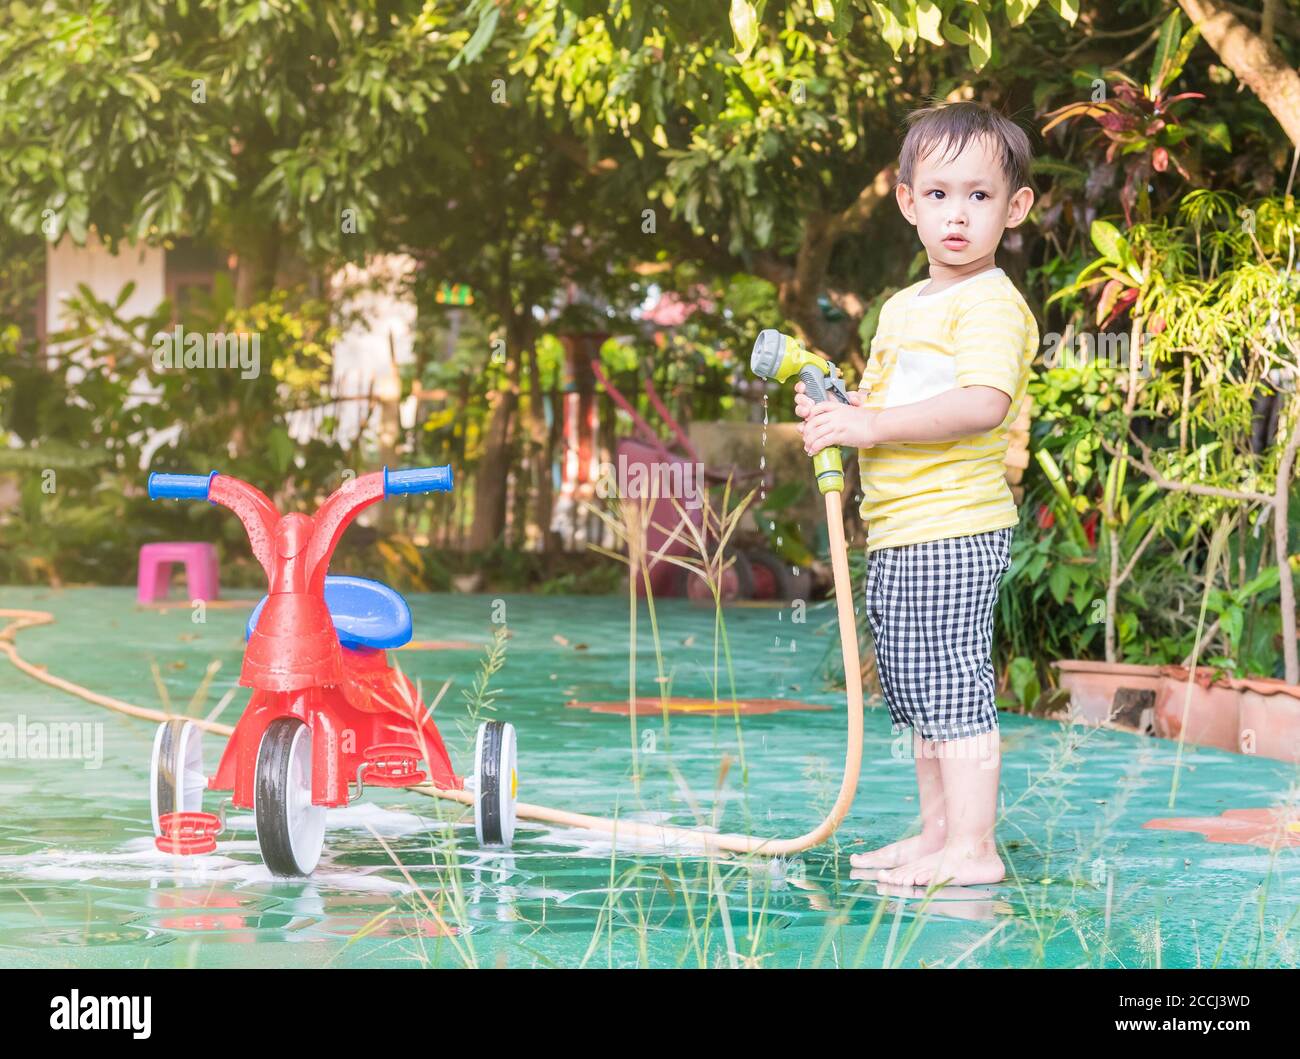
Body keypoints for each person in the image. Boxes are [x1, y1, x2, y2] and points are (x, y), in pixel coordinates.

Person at [796, 100, 1038, 887]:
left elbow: (982, 404)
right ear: (908, 202)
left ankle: (973, 847)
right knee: (917, 688)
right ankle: (939, 834)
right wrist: (839, 413)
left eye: (979, 195)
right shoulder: (905, 307)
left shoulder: (990, 302)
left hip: (953, 526)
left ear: (1015, 208)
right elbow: (883, 405)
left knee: (952, 684)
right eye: (938, 195)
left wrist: (865, 426)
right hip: (900, 530)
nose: (958, 214)